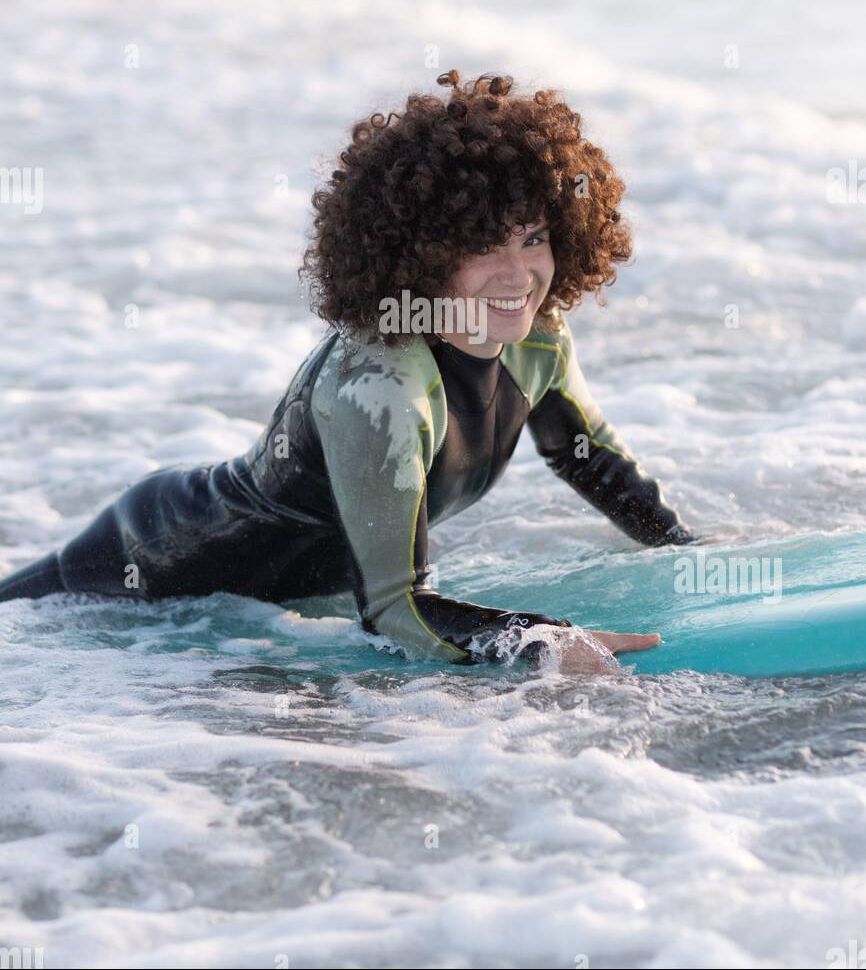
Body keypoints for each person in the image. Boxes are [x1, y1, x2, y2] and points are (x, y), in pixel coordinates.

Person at [0, 71, 696, 673]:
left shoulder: (537, 341)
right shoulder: (381, 388)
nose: (519, 275)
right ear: (418, 255)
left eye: (534, 238)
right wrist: (538, 640)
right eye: (483, 246)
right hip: (159, 563)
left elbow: (594, 464)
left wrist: (693, 555)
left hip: (263, 599)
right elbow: (393, 611)